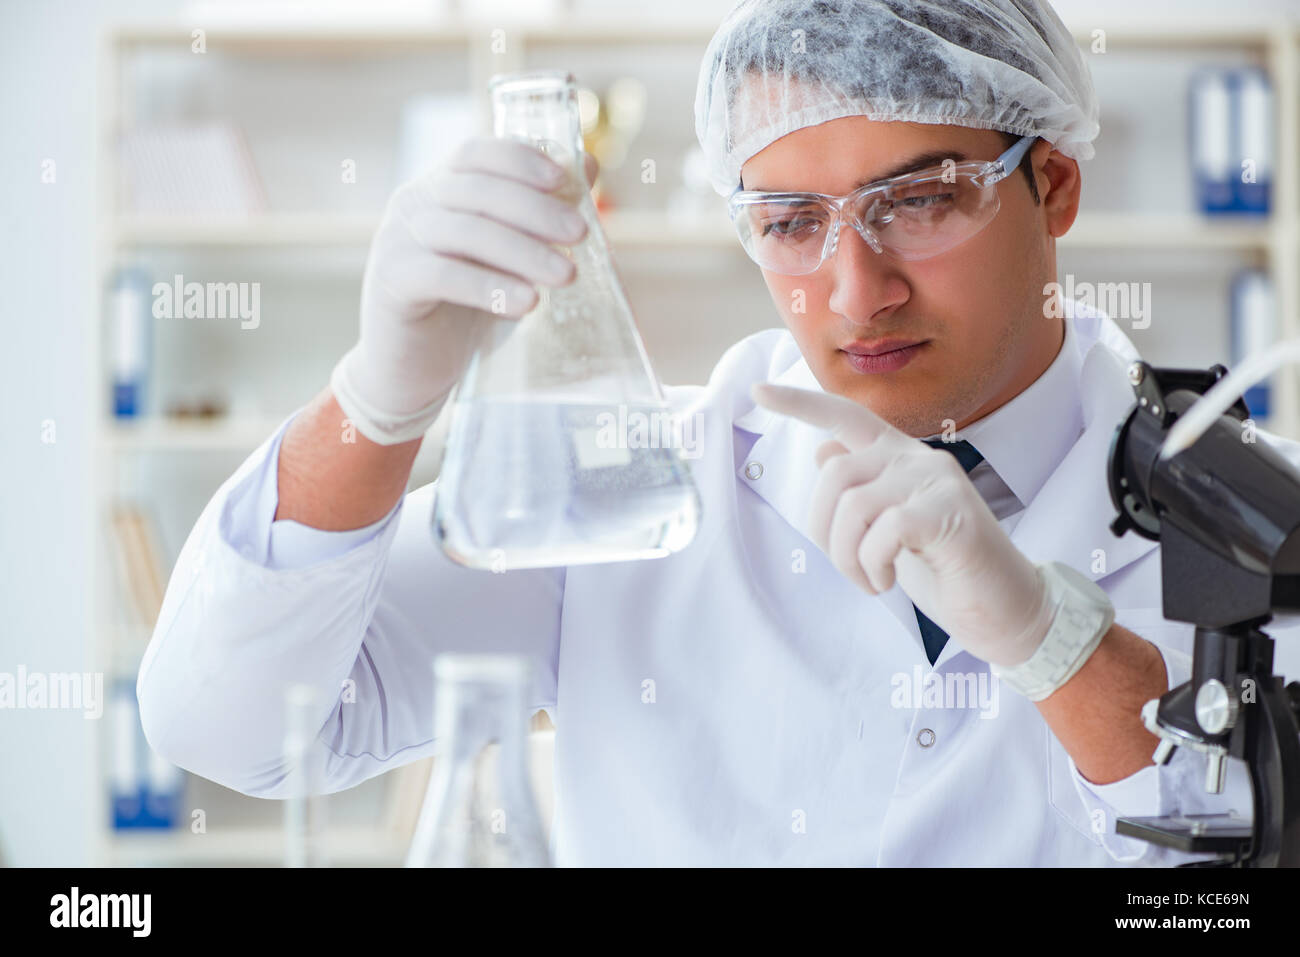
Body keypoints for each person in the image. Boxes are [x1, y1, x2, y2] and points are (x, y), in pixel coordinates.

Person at [137, 0, 1300, 865]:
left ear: (1051, 184)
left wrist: (1057, 645)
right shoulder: (627, 492)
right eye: (791, 222)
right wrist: (377, 404)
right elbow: (234, 732)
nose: (856, 292)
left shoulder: (1256, 525)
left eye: (922, 198)